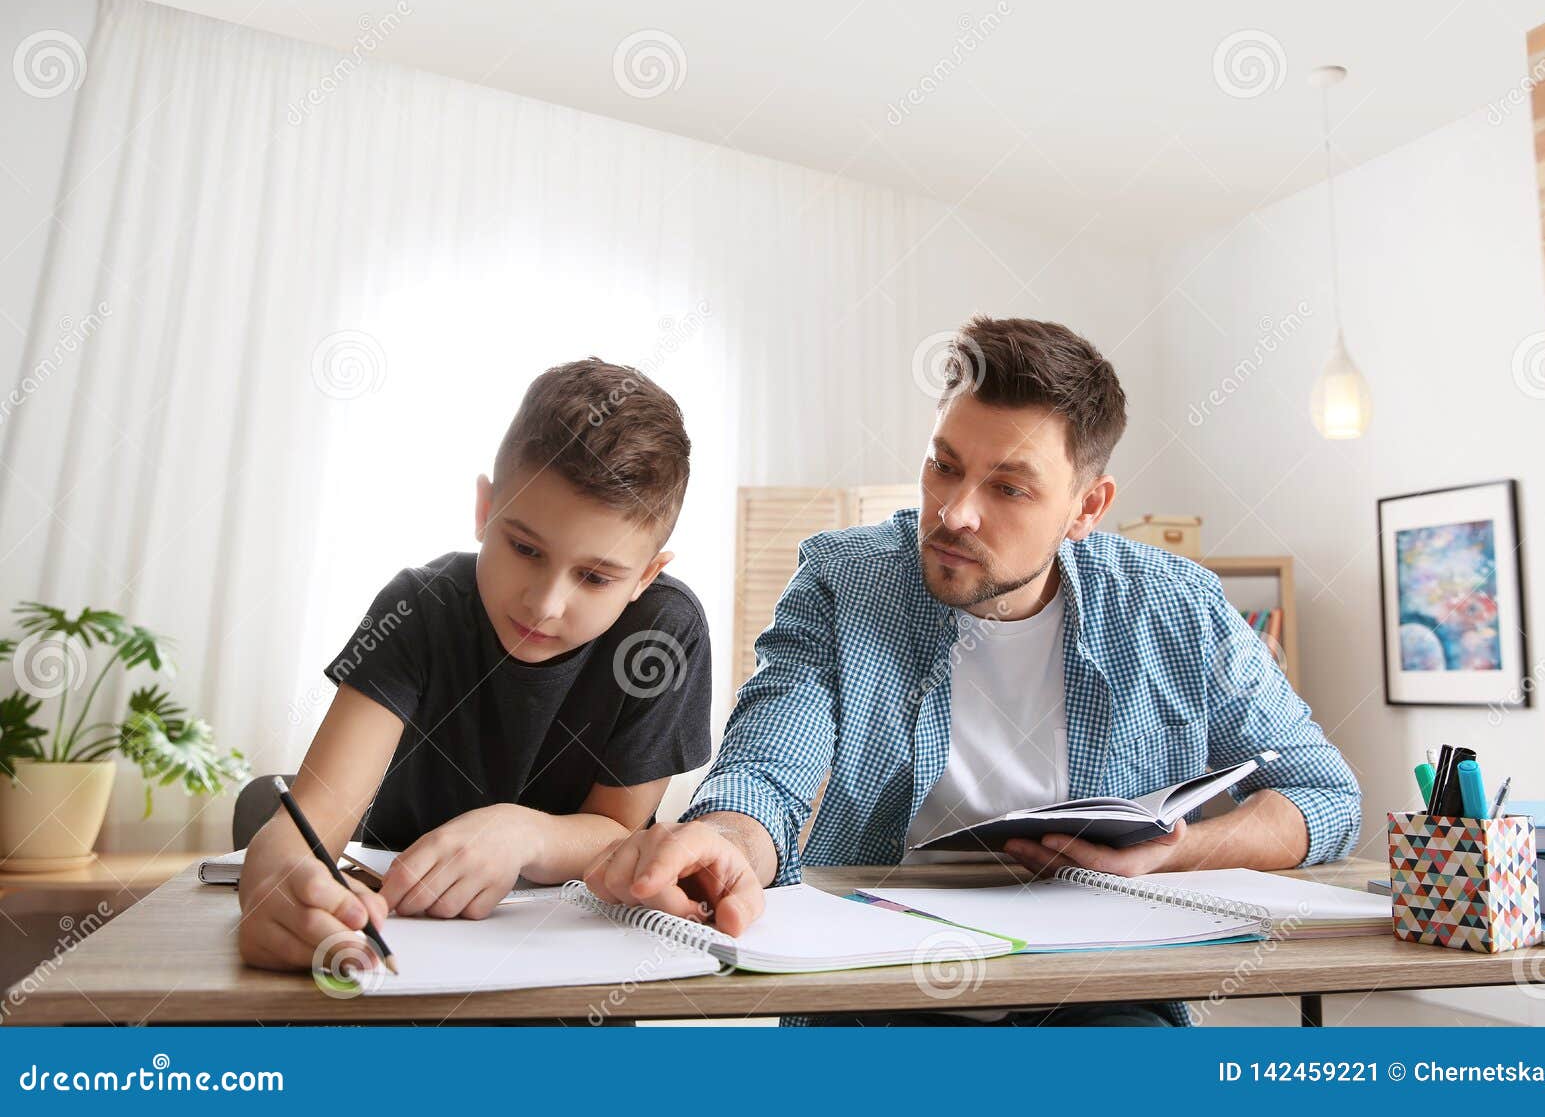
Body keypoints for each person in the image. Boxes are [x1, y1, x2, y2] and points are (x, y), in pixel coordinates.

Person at [584, 316, 1360, 1026]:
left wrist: (1174, 849)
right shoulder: (843, 579)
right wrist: (725, 840)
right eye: (944, 467)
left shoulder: (1175, 606)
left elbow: (1323, 795)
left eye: (1009, 488)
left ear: (1087, 506)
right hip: (880, 994)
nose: (955, 511)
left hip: (1103, 993)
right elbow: (767, 772)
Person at [239, 359, 712, 972]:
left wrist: (524, 833)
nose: (545, 605)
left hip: (569, 957)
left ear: (647, 576)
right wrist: (275, 877)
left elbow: (617, 830)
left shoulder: (665, 634)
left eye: (596, 577)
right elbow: (312, 819)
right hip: (403, 941)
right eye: (524, 548)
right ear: (485, 508)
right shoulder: (418, 607)